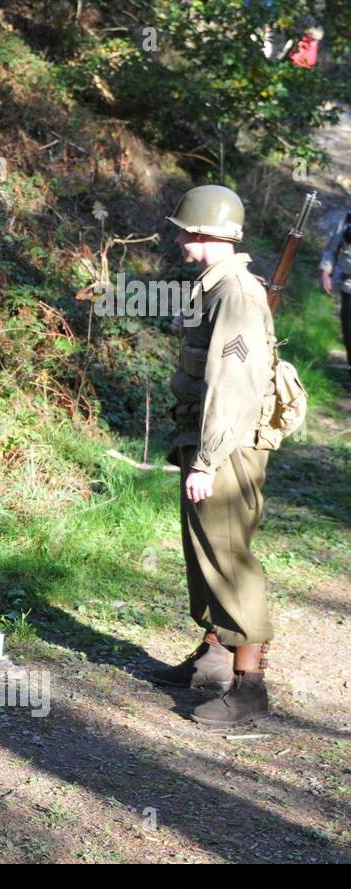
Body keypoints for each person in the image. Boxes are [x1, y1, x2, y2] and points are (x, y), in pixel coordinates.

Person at [148, 184, 278, 728]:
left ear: (206, 232)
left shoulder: (236, 295)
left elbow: (234, 387)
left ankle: (250, 691)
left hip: (223, 449)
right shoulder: (214, 288)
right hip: (204, 443)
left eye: (183, 230)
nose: (178, 238)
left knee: (229, 560)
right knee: (205, 556)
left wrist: (207, 460)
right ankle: (214, 660)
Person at [318, 206, 351, 383]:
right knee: (349, 332)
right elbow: (331, 250)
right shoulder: (347, 222)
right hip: (349, 286)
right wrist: (325, 272)